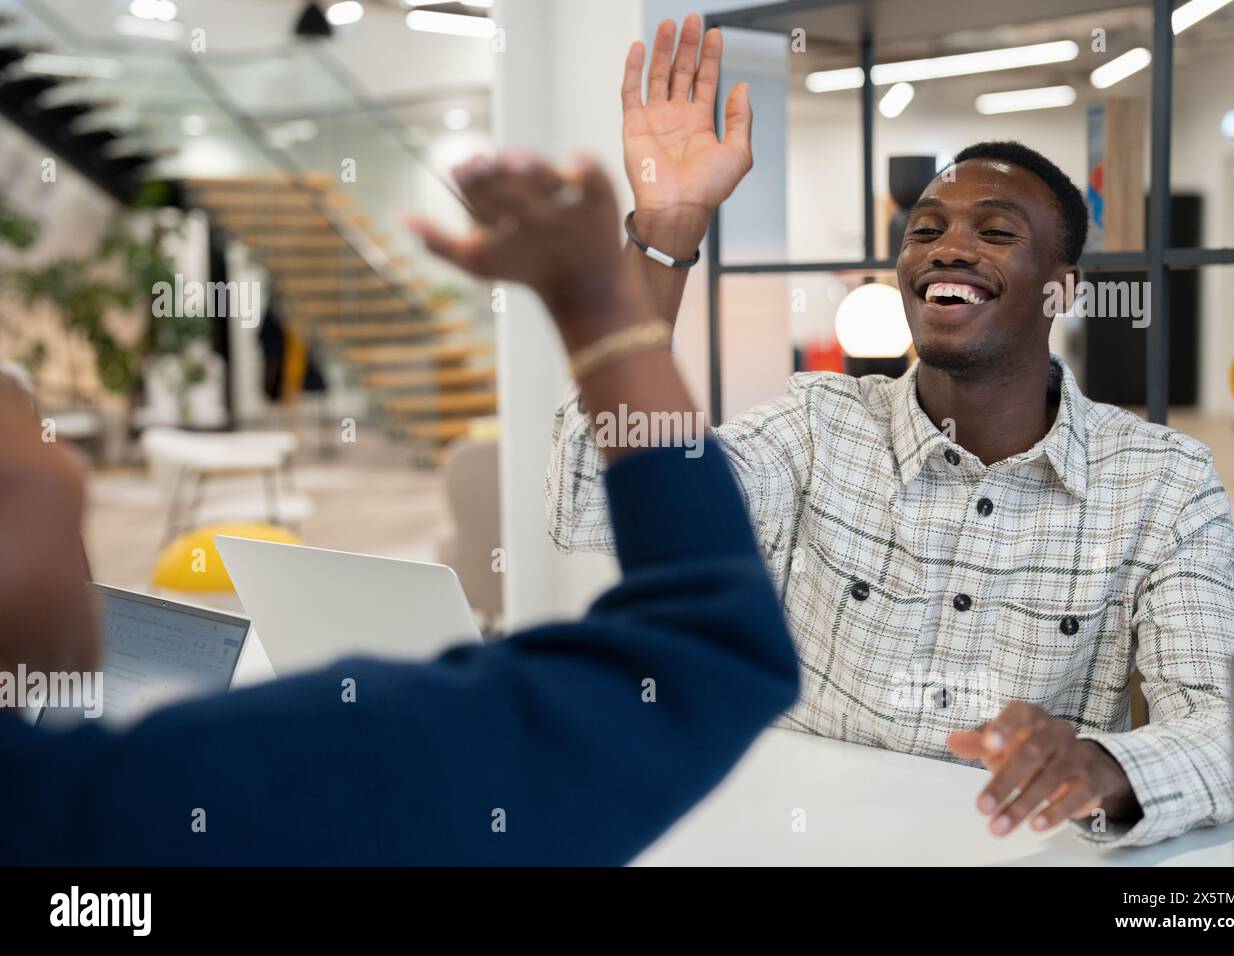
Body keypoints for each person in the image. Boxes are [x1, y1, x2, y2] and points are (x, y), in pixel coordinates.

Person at [545, 14, 1234, 847]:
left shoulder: (1162, 483)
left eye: (994, 232)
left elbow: (1231, 724)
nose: (947, 247)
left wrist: (1106, 766)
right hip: (791, 840)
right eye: (925, 230)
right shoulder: (816, 425)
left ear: (1061, 292)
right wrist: (665, 233)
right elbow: (593, 500)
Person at [0, 152, 798, 866]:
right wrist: (597, 305)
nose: (69, 472)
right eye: (26, 440)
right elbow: (709, 651)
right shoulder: (173, 804)